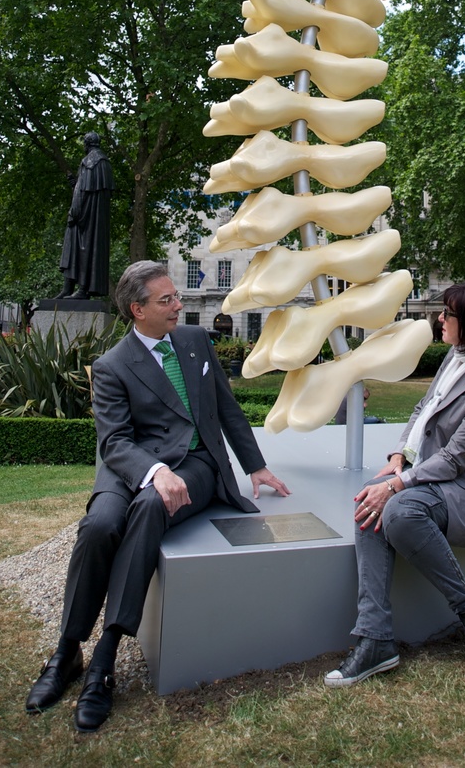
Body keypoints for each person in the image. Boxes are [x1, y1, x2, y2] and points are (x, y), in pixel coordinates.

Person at [25, 260, 291, 732]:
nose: (178, 305)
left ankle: (105, 657)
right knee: (100, 525)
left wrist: (256, 466)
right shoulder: (111, 366)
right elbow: (113, 442)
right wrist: (154, 470)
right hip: (130, 467)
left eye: (176, 296)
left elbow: (227, 411)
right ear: (137, 309)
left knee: (153, 506)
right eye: (167, 299)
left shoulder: (194, 341)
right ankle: (67, 651)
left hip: (198, 465)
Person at [325, 277, 465, 688]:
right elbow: (422, 410)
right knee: (372, 506)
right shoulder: (456, 356)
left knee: (398, 509)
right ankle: (376, 638)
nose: (439, 318)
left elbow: (457, 458)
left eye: (448, 313)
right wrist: (399, 457)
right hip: (437, 477)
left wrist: (398, 483)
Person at [58, 132, 115, 298]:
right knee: (92, 250)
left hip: (83, 219)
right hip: (97, 220)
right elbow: (92, 190)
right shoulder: (105, 162)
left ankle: (77, 289)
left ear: (87, 144)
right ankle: (72, 289)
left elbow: (81, 193)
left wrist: (73, 214)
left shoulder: (88, 162)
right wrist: (75, 184)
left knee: (75, 247)